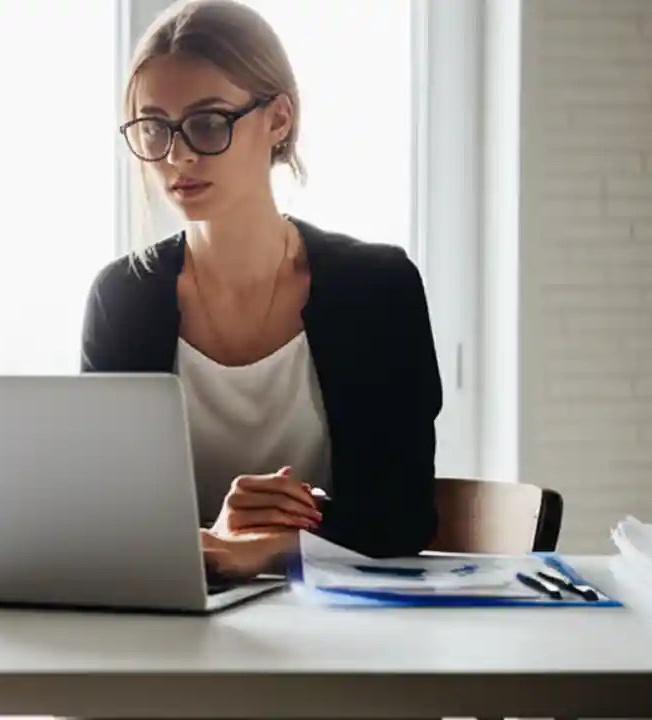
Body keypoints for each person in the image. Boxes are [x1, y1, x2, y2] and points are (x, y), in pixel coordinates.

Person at [81, 0, 442, 578]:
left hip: (345, 628)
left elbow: (402, 515)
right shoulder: (122, 298)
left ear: (279, 119)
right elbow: (102, 512)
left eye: (208, 122)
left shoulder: (378, 289)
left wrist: (268, 548)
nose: (178, 155)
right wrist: (214, 538)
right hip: (173, 623)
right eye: (154, 128)